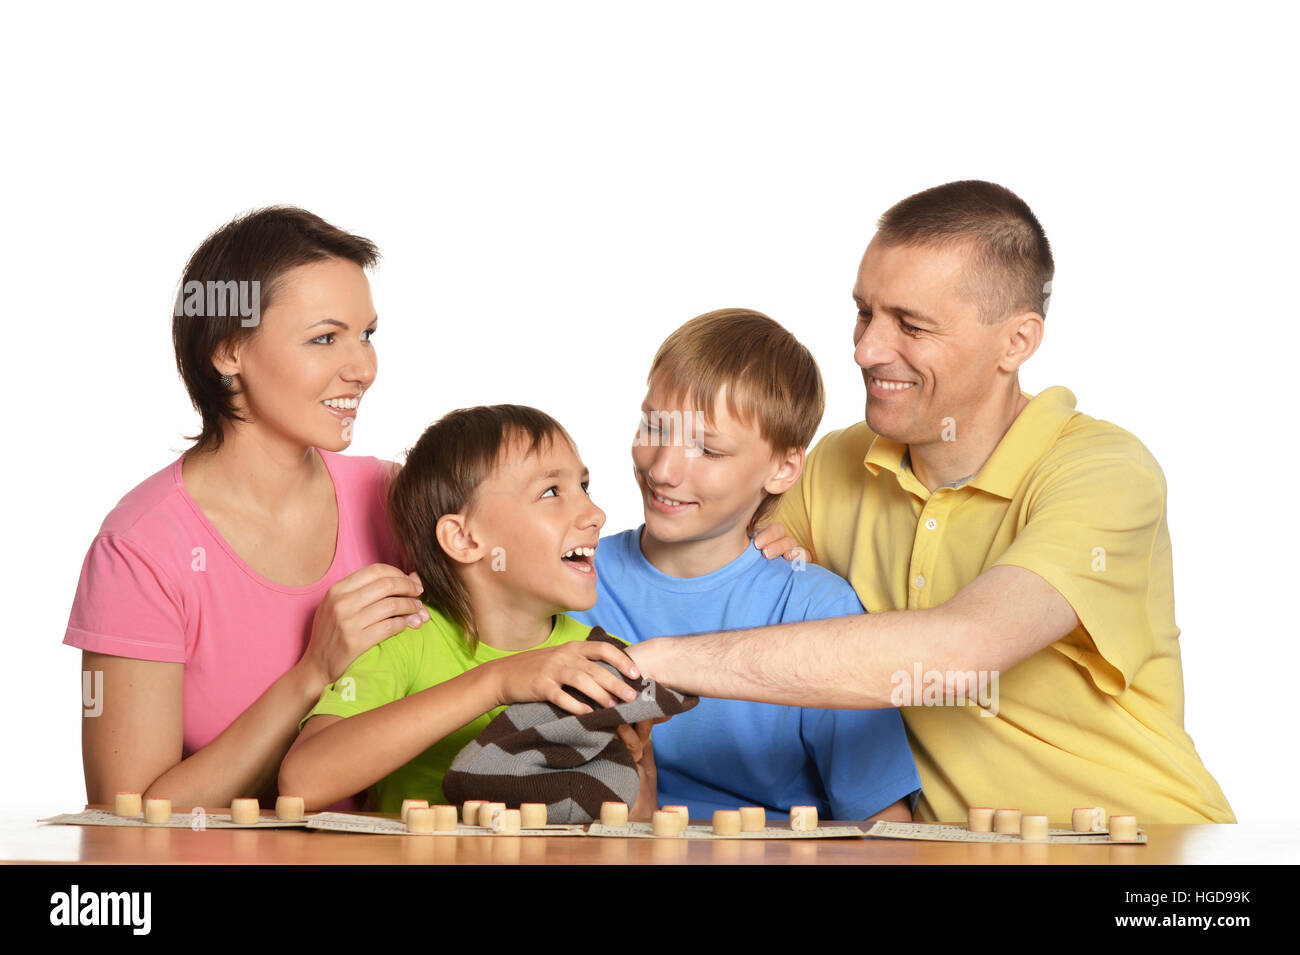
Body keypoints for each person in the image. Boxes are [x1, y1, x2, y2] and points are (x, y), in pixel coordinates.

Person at [625, 181, 1235, 824]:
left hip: (1140, 842)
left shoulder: (1104, 473)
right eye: (864, 313)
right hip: (949, 847)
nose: (865, 350)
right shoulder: (834, 464)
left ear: (1017, 342)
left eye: (911, 326)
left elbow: (961, 651)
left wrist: (659, 662)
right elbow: (705, 561)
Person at [63, 209, 628, 811]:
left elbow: (533, 592)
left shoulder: (392, 497)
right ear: (228, 351)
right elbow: (124, 818)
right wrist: (312, 672)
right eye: (325, 338)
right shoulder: (141, 549)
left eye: (368, 335)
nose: (363, 369)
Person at [569, 309, 918, 821]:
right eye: (654, 427)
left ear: (783, 468)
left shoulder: (817, 609)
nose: (663, 469)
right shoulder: (571, 579)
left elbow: (883, 822)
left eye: (707, 450)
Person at [279, 405, 655, 816]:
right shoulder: (402, 643)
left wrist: (630, 769)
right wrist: (495, 683)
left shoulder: (603, 660)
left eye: (584, 486)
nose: (596, 514)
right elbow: (302, 782)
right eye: (551, 492)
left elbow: (640, 813)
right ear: (464, 539)